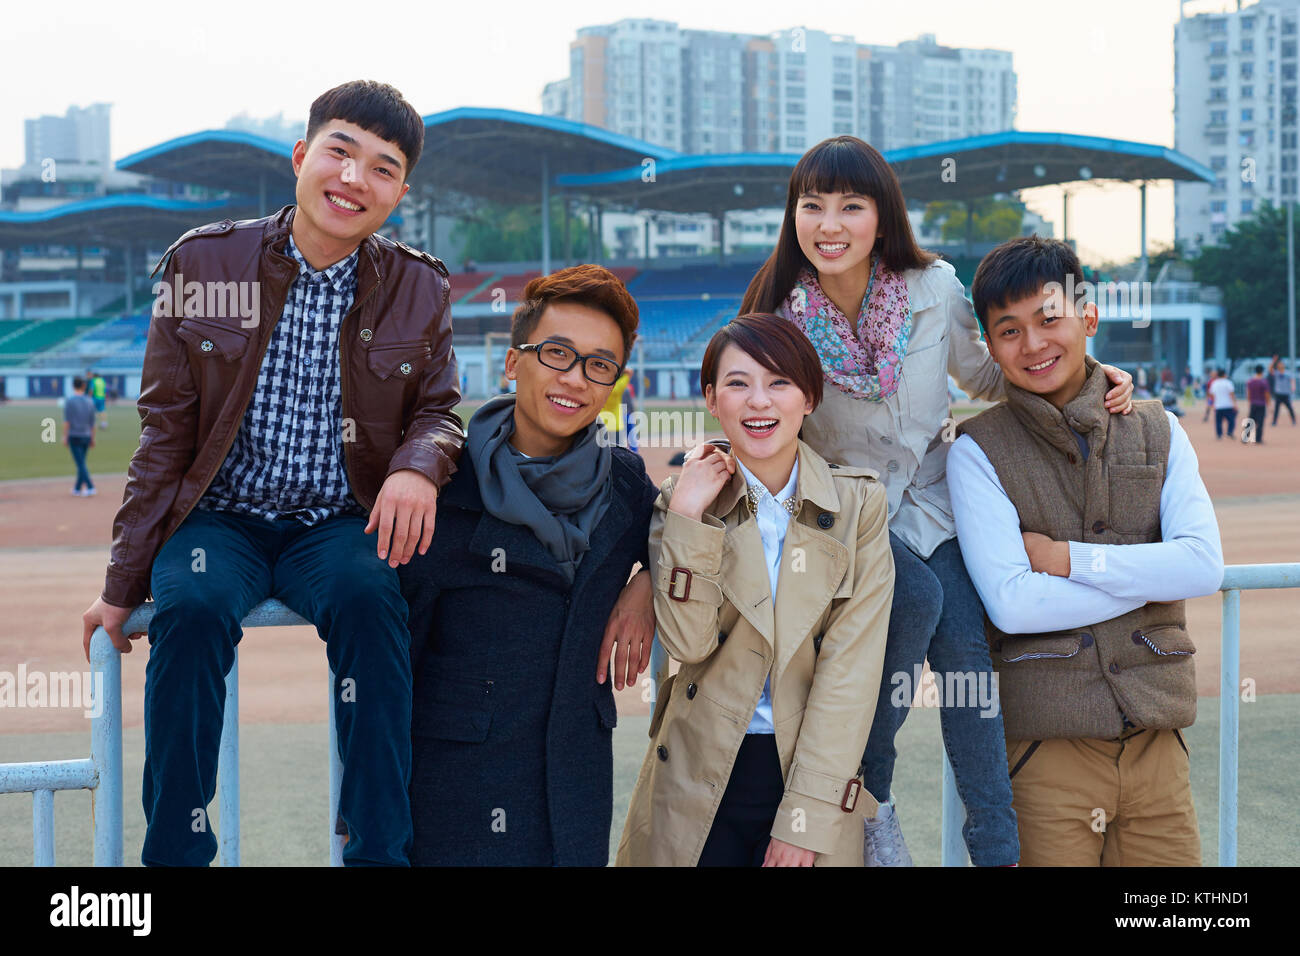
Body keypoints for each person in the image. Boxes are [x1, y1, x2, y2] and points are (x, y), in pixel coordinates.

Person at [79, 80, 464, 866]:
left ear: (400, 193)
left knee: (372, 602)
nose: (355, 180)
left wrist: (419, 468)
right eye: (340, 152)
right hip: (223, 519)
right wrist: (122, 586)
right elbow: (163, 436)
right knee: (186, 612)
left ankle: (379, 855)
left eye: (382, 169)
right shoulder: (204, 260)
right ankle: (177, 856)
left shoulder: (419, 286)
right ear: (301, 157)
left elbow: (440, 412)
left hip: (337, 521)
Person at [734, 135, 1134, 867]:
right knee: (914, 595)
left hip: (932, 504)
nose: (830, 223)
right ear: (792, 216)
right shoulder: (776, 315)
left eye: (850, 205)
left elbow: (988, 376)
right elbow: (754, 414)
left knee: (967, 667)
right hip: (846, 514)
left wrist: (1092, 368)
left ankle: (996, 849)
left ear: (882, 220)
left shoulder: (934, 289)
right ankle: (871, 817)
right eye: (811, 204)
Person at [948, 236, 1223, 865]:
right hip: (1047, 751)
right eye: (1009, 331)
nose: (1034, 344)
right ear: (990, 347)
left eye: (1050, 320)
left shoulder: (1159, 426)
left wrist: (1069, 560)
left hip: (1159, 743)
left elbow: (1203, 565)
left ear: (1088, 317)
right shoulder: (976, 450)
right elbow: (1014, 606)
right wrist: (1150, 573)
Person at [400, 265, 658, 865]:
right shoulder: (437, 481)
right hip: (452, 798)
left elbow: (686, 528)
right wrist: (367, 810)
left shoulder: (623, 484)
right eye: (557, 354)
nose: (575, 379)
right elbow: (390, 662)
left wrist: (647, 578)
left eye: (599, 365)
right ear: (513, 363)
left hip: (572, 793)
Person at [616, 313, 894, 867]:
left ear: (809, 397)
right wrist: (690, 517)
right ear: (712, 399)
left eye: (779, 383)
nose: (759, 402)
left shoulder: (859, 506)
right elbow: (687, 645)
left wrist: (806, 816)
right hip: (696, 775)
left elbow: (851, 671)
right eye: (738, 384)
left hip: (803, 769)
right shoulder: (682, 500)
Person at [64, 376, 97, 496]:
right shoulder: (90, 401)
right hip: (86, 435)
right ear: (83, 386)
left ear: (73, 386)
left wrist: (65, 436)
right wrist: (93, 438)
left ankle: (90, 486)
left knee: (80, 463)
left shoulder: (69, 401)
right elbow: (92, 423)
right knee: (81, 461)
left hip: (74, 435)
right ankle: (77, 488)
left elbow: (67, 422)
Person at [1208, 368, 1237, 439]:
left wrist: (1212, 403)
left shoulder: (1214, 383)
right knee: (1231, 420)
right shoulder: (1228, 382)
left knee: (1218, 421)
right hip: (1228, 405)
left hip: (1218, 405)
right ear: (1224, 374)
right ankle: (1230, 432)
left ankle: (1219, 434)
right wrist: (1235, 404)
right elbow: (1232, 394)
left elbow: (1211, 394)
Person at [1246, 364, 1269, 444]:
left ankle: (1245, 437)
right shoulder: (1264, 382)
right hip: (1261, 404)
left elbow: (1248, 393)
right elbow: (1266, 394)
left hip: (1253, 403)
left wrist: (1250, 401)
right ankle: (1258, 439)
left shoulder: (1250, 381)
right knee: (1260, 422)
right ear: (1262, 371)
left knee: (1250, 421)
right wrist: (1268, 403)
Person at [1271, 358, 1296, 426]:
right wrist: (1273, 362)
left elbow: (1292, 380)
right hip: (1278, 394)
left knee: (1290, 408)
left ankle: (1294, 420)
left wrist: (1293, 386)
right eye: (1279, 365)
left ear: (1283, 365)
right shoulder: (1276, 372)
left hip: (1285, 394)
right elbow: (1270, 370)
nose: (1280, 365)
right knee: (1276, 409)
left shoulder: (1287, 373)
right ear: (1278, 366)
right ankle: (1274, 422)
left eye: (1281, 364)